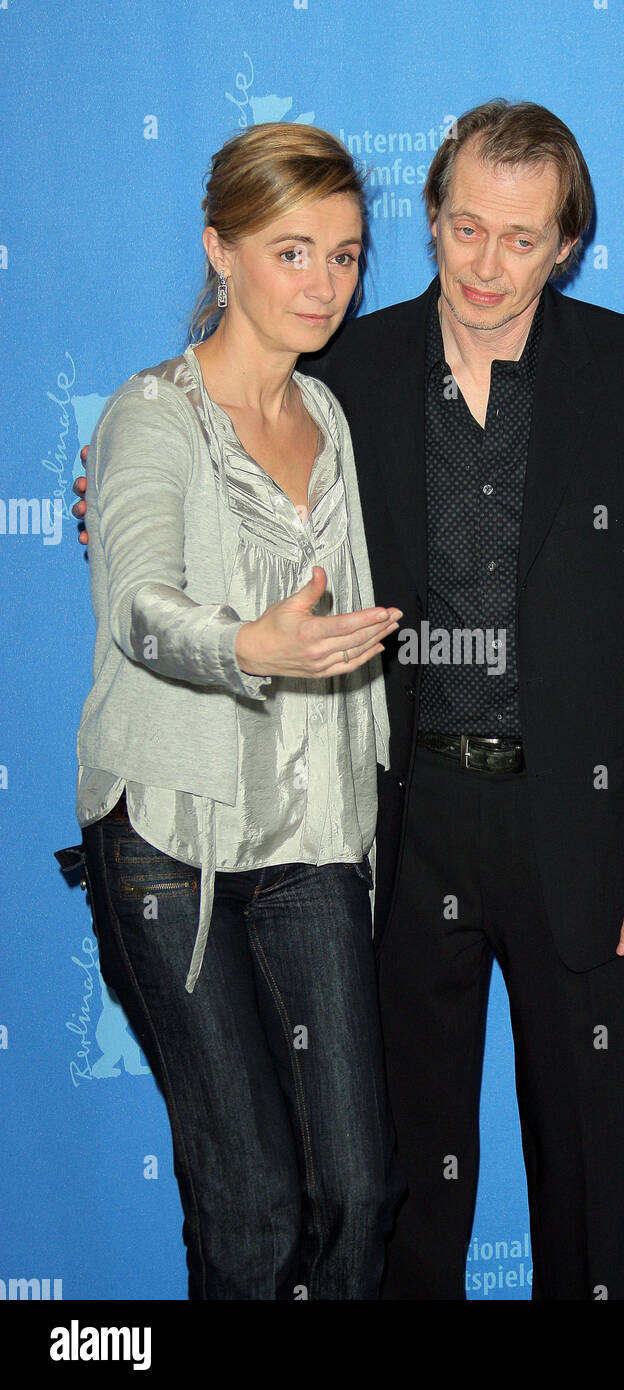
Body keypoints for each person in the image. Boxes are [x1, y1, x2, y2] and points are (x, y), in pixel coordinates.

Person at [75, 99, 624, 1301]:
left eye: (521, 239)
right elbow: (214, 491)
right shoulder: (345, 381)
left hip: (583, 830)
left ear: (567, 243)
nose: (487, 265)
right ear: (429, 219)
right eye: (465, 228)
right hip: (399, 826)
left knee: (592, 1181)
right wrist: (114, 502)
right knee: (396, 1193)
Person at [58, 121, 404, 1300]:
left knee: (359, 1190)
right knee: (251, 1210)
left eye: (348, 256)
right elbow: (140, 604)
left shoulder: (333, 418)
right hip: (172, 834)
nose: (325, 284)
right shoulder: (149, 414)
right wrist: (252, 643)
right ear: (221, 251)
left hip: (313, 838)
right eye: (293, 251)